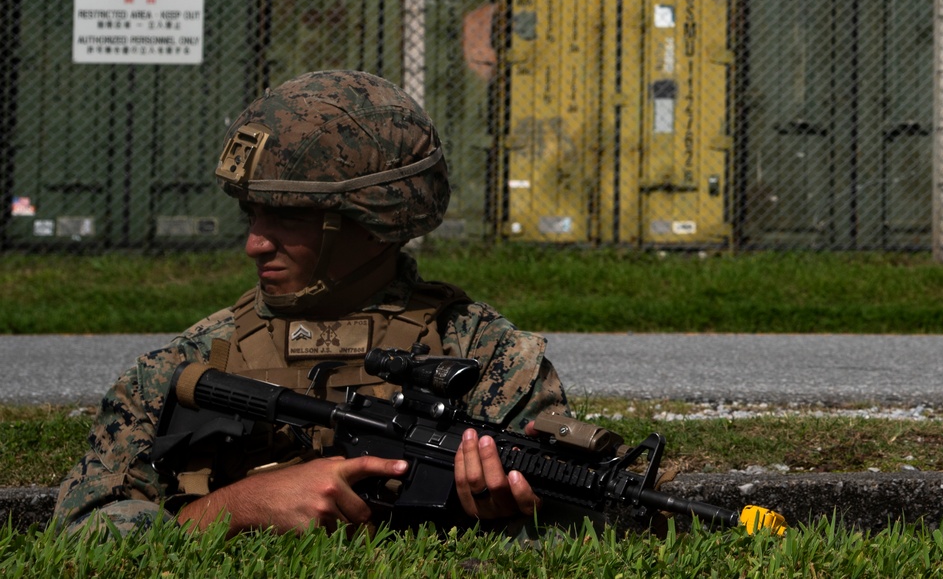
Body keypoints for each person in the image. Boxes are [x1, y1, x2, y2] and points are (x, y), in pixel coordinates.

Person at [54, 70, 570, 536]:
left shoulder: (485, 357)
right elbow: (81, 530)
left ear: (374, 220)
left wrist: (519, 511)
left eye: (290, 216)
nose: (255, 242)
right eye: (250, 213)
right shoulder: (188, 366)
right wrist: (236, 508)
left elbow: (580, 510)